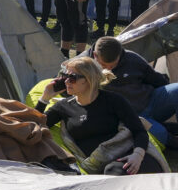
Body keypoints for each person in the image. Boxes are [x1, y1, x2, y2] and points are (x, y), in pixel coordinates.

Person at [92, 36, 178, 163]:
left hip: (150, 102)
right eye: (104, 65)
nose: (109, 69)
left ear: (120, 54)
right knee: (160, 134)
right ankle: (173, 140)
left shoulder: (132, 59)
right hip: (130, 117)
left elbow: (158, 81)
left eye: (113, 64)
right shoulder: (86, 67)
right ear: (95, 55)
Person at [36, 56, 164, 174]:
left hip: (131, 157)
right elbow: (35, 125)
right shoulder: (63, 106)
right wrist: (44, 98)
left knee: (112, 170)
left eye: (72, 77)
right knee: (109, 171)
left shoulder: (113, 100)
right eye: (64, 76)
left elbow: (139, 131)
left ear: (89, 79)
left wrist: (137, 155)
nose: (67, 81)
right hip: (98, 165)